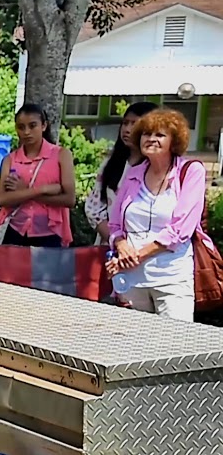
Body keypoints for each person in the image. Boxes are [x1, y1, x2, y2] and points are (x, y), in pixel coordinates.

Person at [106, 107, 211, 321]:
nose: (151, 139)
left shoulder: (191, 171)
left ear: (174, 141)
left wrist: (138, 255)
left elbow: (181, 229)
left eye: (160, 135)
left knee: (174, 343)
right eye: (146, 133)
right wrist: (121, 246)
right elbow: (115, 224)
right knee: (133, 344)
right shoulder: (134, 173)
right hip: (131, 277)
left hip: (171, 276)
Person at [0, 103, 77, 248]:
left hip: (50, 233)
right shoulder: (10, 159)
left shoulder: (61, 155)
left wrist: (23, 191)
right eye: (21, 127)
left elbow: (69, 199)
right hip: (15, 230)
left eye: (32, 125)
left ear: (44, 126)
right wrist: (41, 190)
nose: (27, 132)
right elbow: (2, 199)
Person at [84, 101, 158, 245]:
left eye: (135, 124)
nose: (127, 129)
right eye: (125, 123)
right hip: (110, 245)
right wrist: (117, 242)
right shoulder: (111, 164)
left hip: (146, 249)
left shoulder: (158, 168)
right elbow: (94, 208)